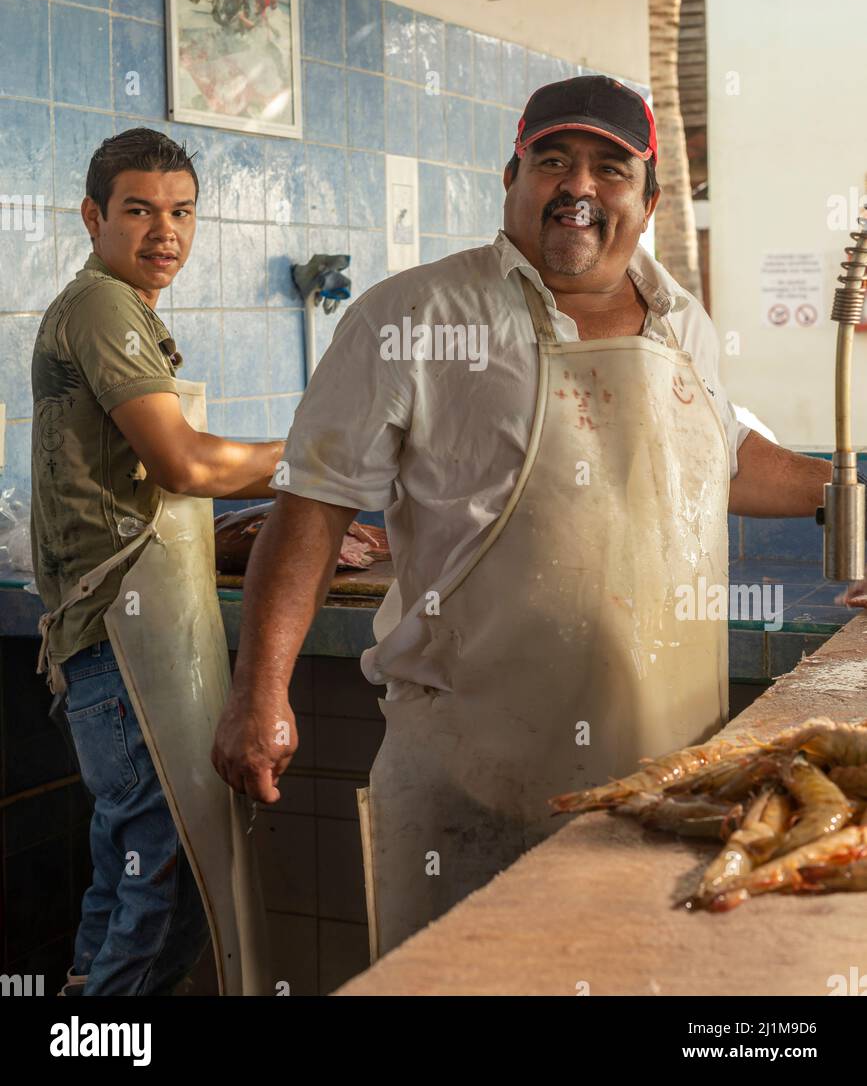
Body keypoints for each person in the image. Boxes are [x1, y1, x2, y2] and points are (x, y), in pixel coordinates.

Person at [211, 75, 836, 957]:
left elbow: (719, 458)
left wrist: (848, 502)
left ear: (647, 200)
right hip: (473, 775)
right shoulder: (414, 316)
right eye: (553, 161)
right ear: (511, 181)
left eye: (609, 169)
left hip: (670, 776)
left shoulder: (682, 321)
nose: (578, 186)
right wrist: (258, 691)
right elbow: (312, 505)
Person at [31, 128, 284, 995]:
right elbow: (181, 463)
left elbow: (137, 488)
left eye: (181, 213)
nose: (164, 232)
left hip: (113, 640)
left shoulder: (126, 307)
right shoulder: (101, 305)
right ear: (94, 216)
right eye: (138, 210)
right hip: (116, 648)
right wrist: (322, 458)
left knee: (133, 875)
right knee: (164, 888)